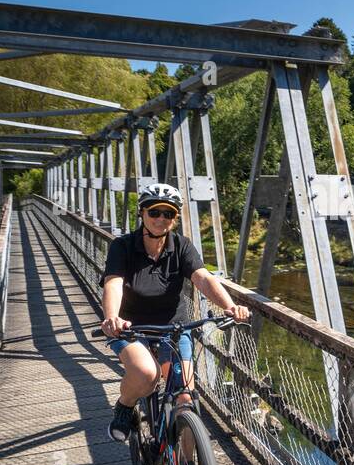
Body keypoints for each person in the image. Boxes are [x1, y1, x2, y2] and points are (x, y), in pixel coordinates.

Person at [99, 183, 249, 443]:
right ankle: (125, 406)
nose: (161, 219)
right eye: (154, 212)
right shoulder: (122, 246)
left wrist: (229, 306)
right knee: (147, 374)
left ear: (175, 218)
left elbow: (202, 278)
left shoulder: (181, 245)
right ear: (142, 213)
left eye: (168, 214)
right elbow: (113, 283)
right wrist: (112, 317)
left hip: (174, 329)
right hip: (130, 328)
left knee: (186, 399)